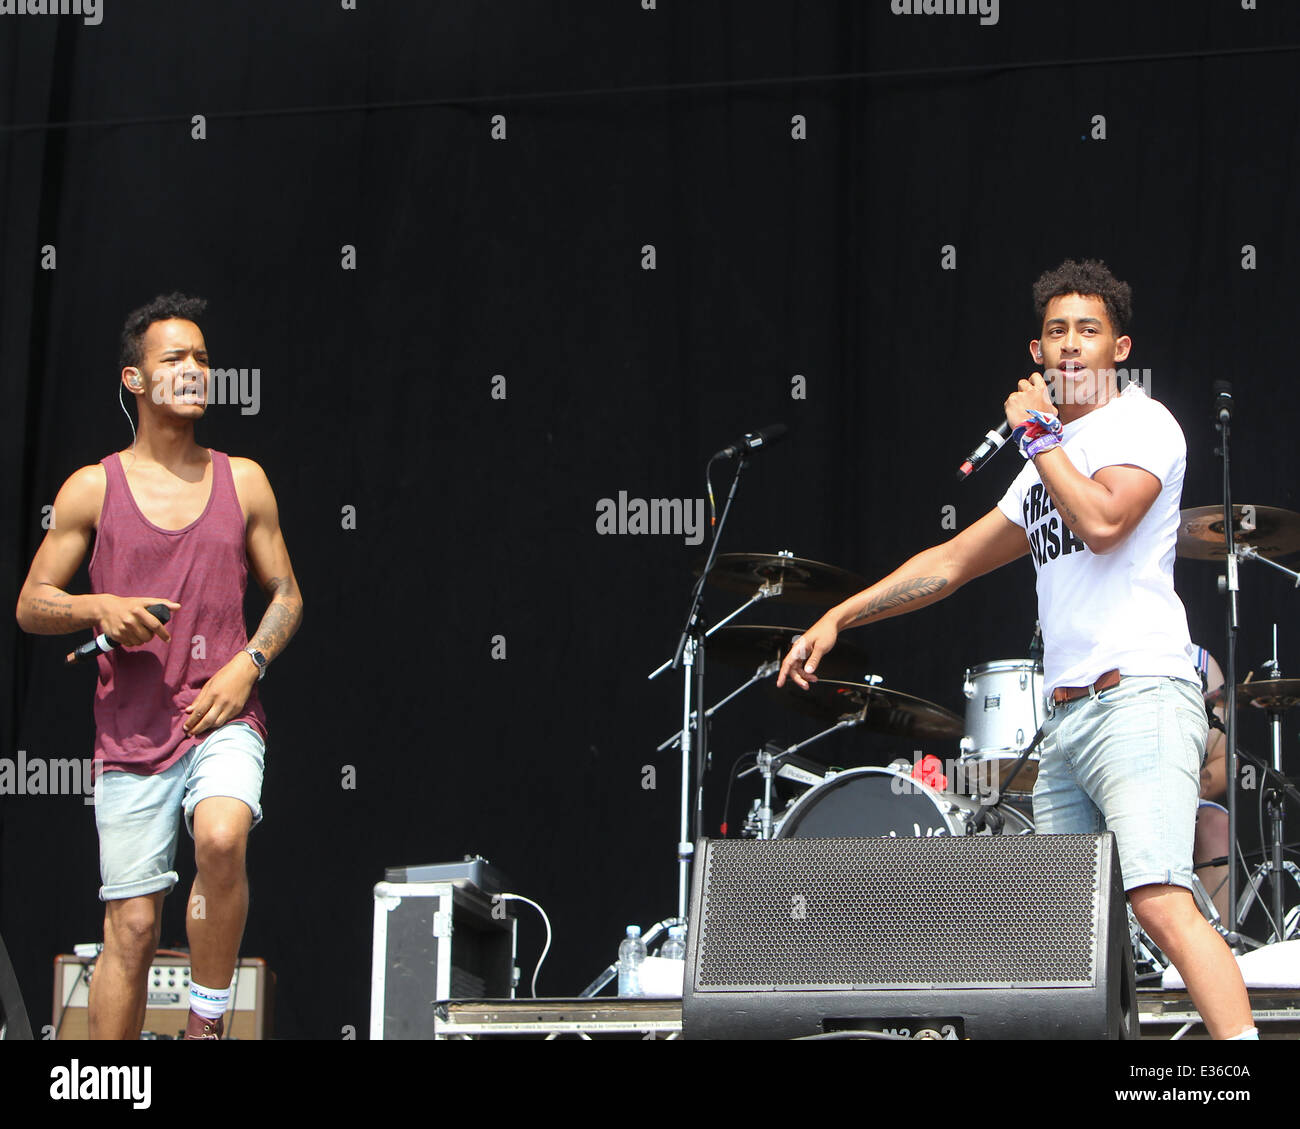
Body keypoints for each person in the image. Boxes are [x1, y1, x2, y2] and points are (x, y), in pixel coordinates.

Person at [777, 259, 1255, 1039]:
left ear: (1119, 348)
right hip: (1068, 721)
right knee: (1062, 940)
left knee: (1158, 898)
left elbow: (1103, 522)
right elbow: (950, 564)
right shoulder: (1043, 467)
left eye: (1088, 331)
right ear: (1037, 350)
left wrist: (1038, 432)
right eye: (1056, 332)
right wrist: (840, 615)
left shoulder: (1142, 423)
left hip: (1137, 693)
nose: (1070, 346)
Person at [15, 294, 303, 1040]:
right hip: (132, 733)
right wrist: (97, 607)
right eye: (175, 358)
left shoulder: (244, 480)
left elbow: (287, 595)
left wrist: (250, 662)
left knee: (221, 837)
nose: (195, 370)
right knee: (134, 928)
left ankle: (206, 1026)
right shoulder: (91, 487)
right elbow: (32, 604)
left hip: (222, 713)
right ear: (134, 381)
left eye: (203, 358)